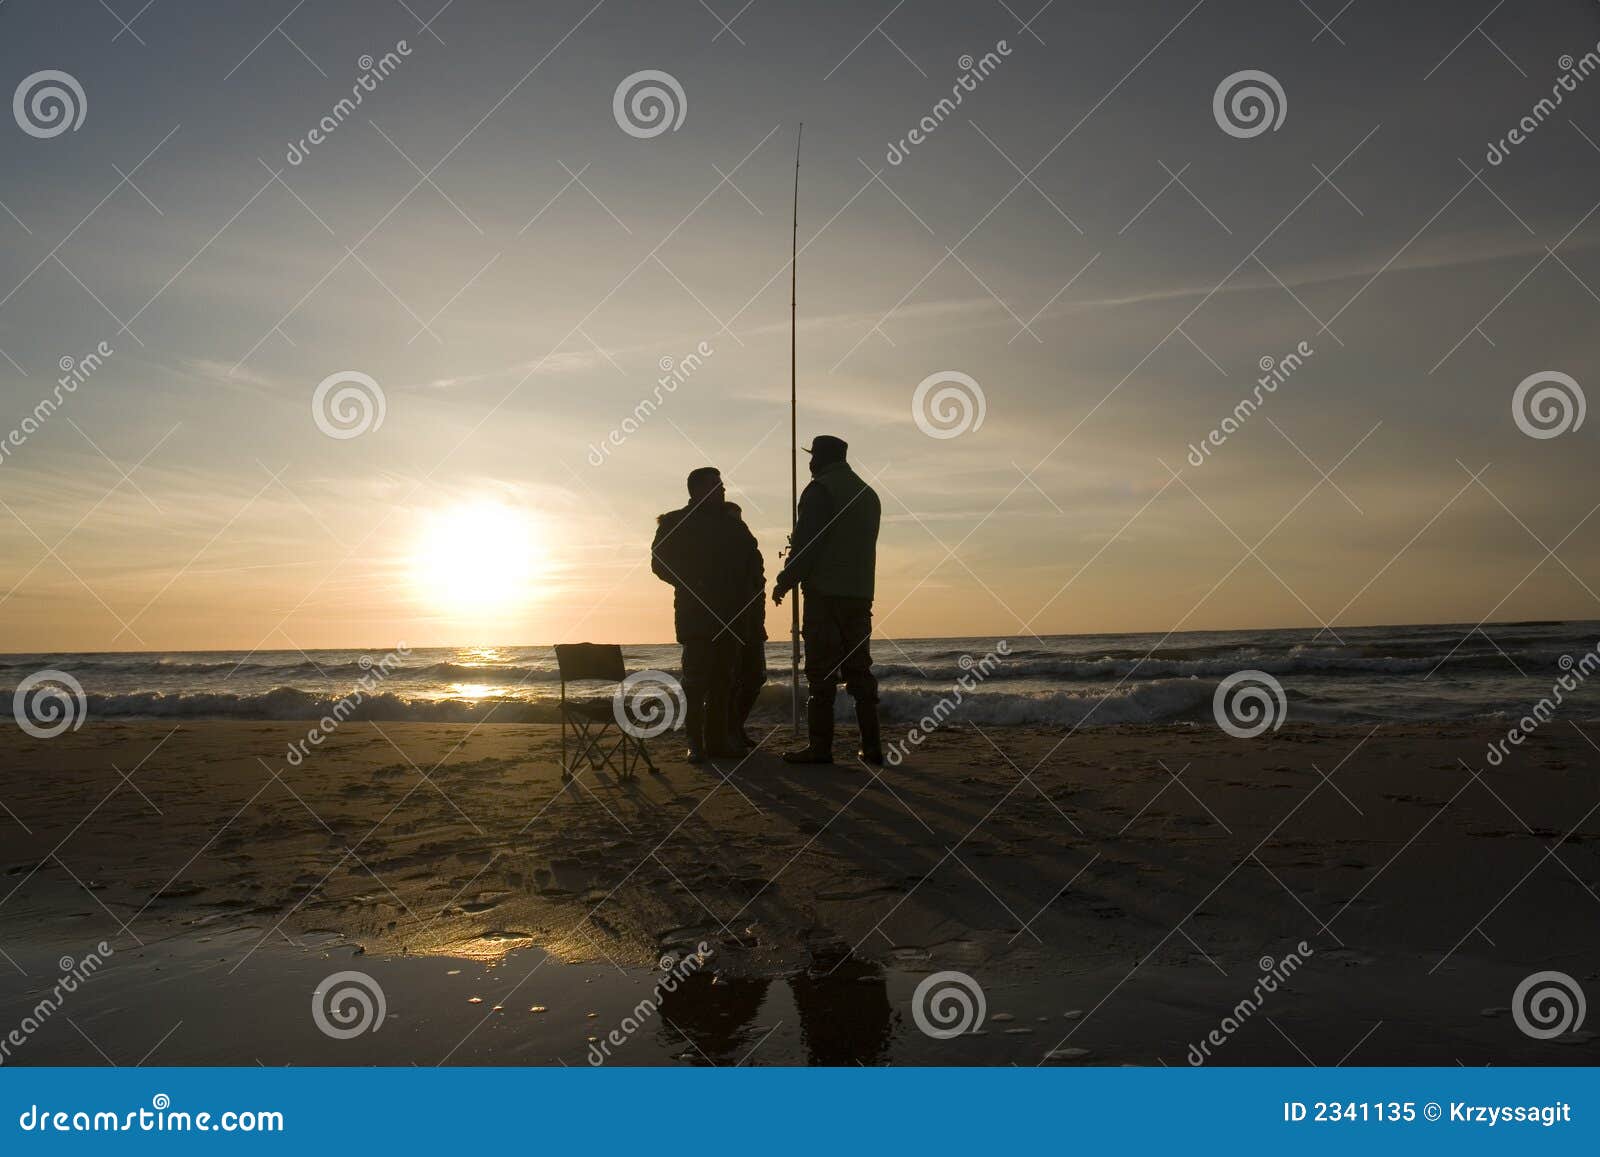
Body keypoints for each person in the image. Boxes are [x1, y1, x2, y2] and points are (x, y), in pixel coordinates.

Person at [771, 435, 883, 765]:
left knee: (820, 674)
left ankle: (820, 748)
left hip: (824, 593)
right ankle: (871, 746)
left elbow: (808, 544)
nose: (808, 464)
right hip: (860, 593)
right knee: (860, 671)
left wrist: (784, 581)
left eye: (812, 457)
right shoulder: (867, 493)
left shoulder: (820, 490)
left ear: (820, 458)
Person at [652, 467, 758, 763]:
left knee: (724, 680)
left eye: (722, 484)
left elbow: (752, 554)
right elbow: (659, 562)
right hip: (696, 614)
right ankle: (695, 744)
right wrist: (693, 582)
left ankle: (718, 742)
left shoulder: (732, 523)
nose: (722, 489)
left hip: (732, 613)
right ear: (697, 489)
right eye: (715, 485)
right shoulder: (675, 522)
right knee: (696, 681)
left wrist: (749, 589)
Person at [725, 501, 766, 748]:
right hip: (729, 626)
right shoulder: (718, 552)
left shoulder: (752, 551)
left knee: (755, 678)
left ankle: (735, 726)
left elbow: (757, 588)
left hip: (753, 625)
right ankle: (728, 730)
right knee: (728, 681)